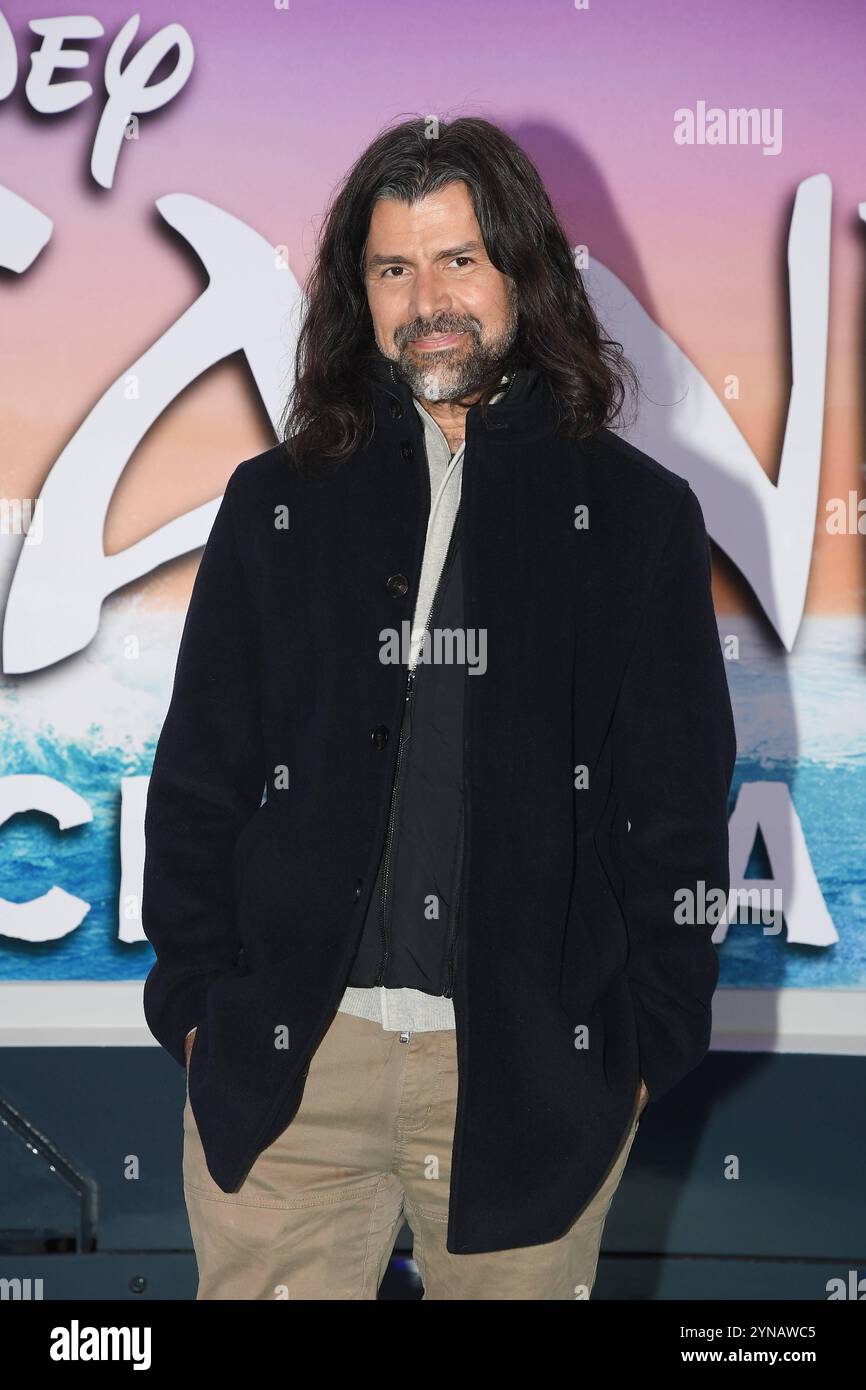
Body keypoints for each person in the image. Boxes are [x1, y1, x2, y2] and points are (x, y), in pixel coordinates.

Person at [142, 115, 737, 1300]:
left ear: (521, 271)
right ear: (356, 293)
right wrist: (200, 1006)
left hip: (525, 1082)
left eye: (458, 260)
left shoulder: (636, 519)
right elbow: (200, 777)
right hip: (289, 1076)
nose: (429, 301)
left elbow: (672, 811)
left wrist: (639, 1047)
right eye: (393, 268)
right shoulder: (276, 504)